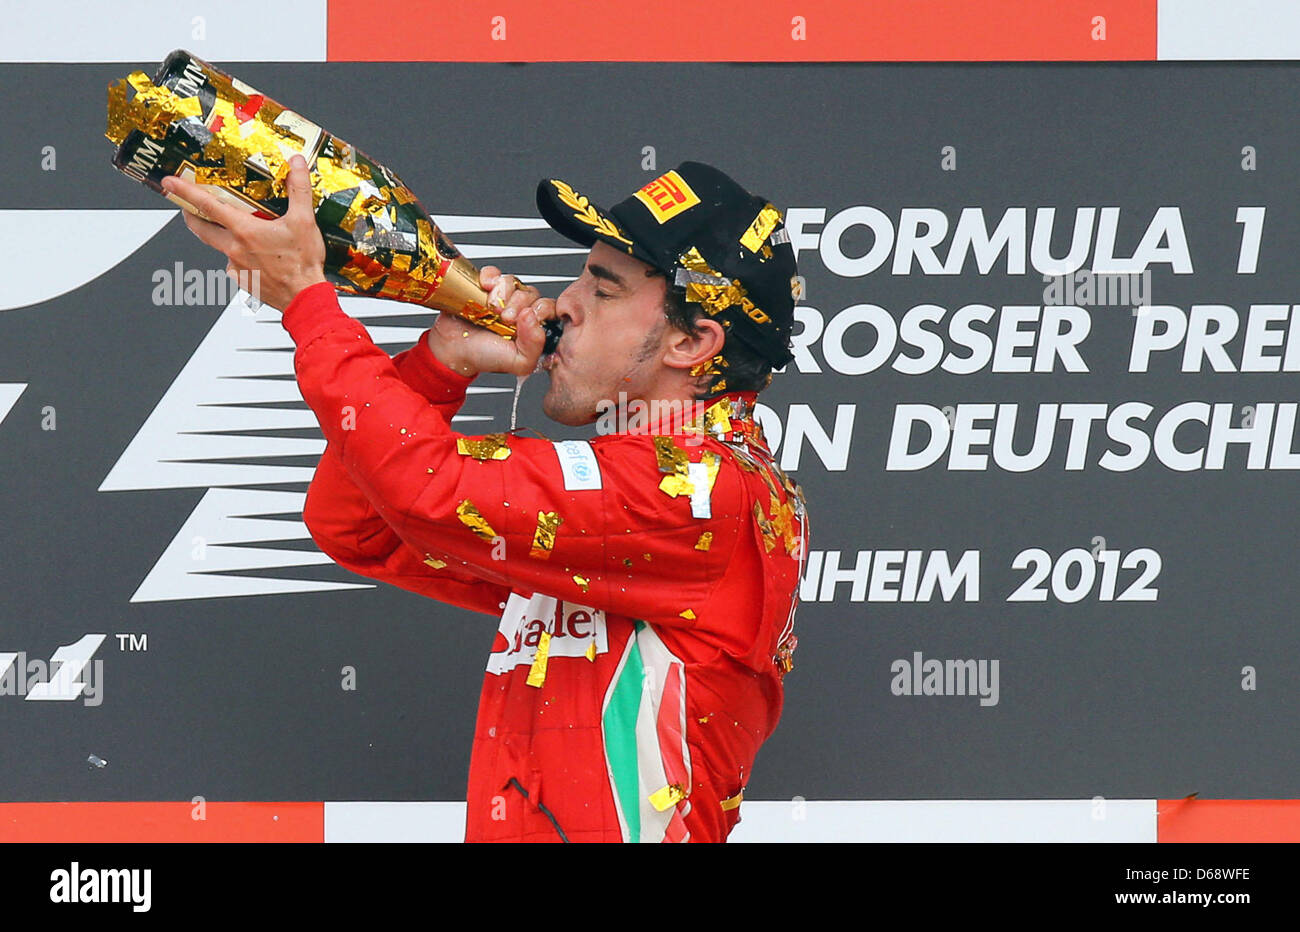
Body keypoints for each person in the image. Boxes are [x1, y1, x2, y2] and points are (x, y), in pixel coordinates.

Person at [164, 156, 809, 843]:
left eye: (604, 289)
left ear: (691, 341)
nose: (565, 304)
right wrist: (443, 363)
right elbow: (358, 527)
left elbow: (426, 488)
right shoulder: (648, 493)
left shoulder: (704, 496)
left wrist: (308, 301)